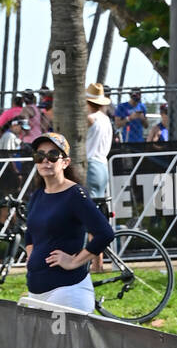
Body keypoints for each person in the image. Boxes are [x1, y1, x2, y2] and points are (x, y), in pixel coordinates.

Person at [24, 132, 115, 313]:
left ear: (65, 162)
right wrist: (31, 257)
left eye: (52, 155)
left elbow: (105, 233)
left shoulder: (75, 194)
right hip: (37, 294)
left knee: (65, 343)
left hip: (67, 292)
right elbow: (30, 233)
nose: (45, 161)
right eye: (40, 156)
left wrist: (74, 262)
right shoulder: (38, 195)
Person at [84, 82, 113, 201]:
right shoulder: (105, 119)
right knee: (100, 203)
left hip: (91, 166)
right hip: (102, 166)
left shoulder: (90, 119)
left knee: (91, 205)